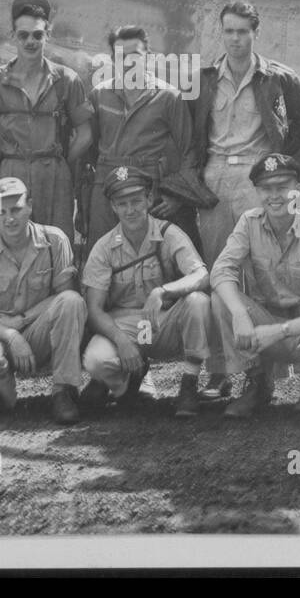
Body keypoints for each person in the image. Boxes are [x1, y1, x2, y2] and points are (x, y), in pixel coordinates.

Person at [187, 0, 300, 400]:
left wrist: (273, 166)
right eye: (229, 31)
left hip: (257, 178)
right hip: (216, 178)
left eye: (243, 31)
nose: (236, 39)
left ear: (256, 32)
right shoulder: (204, 78)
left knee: (263, 272)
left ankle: (264, 373)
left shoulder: (279, 77)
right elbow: (192, 130)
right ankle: (221, 370)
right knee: (218, 271)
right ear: (220, 33)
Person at [210, 153, 300, 417]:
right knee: (222, 300)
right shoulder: (249, 224)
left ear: (297, 190)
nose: (274, 196)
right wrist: (239, 314)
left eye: (282, 188)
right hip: (265, 321)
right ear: (257, 192)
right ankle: (258, 383)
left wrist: (281, 330)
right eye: (266, 189)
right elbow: (221, 270)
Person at [80, 166, 213, 417]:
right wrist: (120, 342)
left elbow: (201, 275)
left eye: (136, 201)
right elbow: (94, 309)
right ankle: (127, 382)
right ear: (113, 207)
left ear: (149, 200)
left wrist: (163, 290)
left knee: (198, 302)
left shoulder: (167, 233)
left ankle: (189, 384)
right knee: (96, 361)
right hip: (125, 325)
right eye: (122, 204)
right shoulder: (104, 247)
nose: (130, 210)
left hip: (164, 320)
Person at [0, 177, 87, 424]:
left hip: (40, 331)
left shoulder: (54, 241)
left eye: (16, 209)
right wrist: (11, 335)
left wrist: (22, 321)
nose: (9, 218)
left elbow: (67, 296)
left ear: (30, 205)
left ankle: (64, 390)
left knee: (72, 303)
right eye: (0, 210)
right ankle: (3, 387)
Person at [0, 0, 93, 243]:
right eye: (23, 35)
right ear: (12, 35)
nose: (30, 41)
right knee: (10, 240)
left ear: (47, 35)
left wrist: (58, 160)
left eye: (37, 35)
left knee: (56, 243)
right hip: (11, 171)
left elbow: (86, 133)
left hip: (54, 176)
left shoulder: (66, 80)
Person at [85, 26, 194, 245]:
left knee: (147, 255)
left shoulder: (168, 97)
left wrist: (177, 196)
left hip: (146, 187)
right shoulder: (99, 94)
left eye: (134, 56)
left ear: (149, 57)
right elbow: (88, 151)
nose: (127, 63)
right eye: (121, 57)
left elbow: (189, 152)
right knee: (101, 250)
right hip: (105, 186)